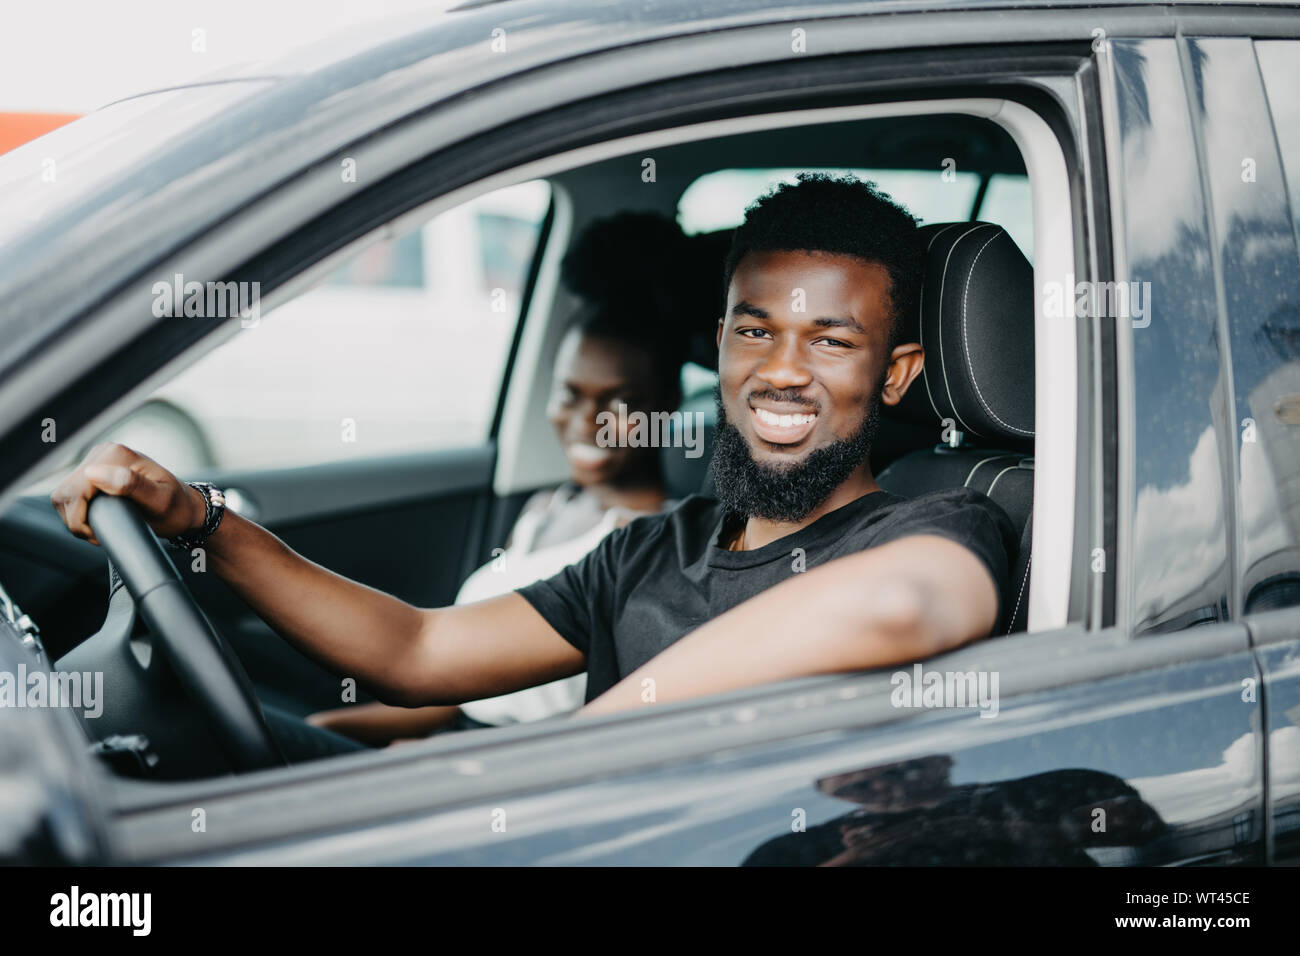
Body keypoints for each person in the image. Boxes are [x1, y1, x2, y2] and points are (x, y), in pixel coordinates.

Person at [51, 174, 1018, 748]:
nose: (780, 374)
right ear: (717, 344)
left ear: (897, 376)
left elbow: (903, 604)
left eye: (830, 343)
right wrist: (203, 522)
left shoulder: (937, 525)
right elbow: (416, 651)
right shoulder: (654, 548)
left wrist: (583, 748)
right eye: (754, 332)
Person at [306, 214, 696, 743]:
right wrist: (328, 728)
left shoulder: (654, 550)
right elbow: (449, 685)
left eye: (619, 402)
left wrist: (428, 758)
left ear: (667, 404)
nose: (588, 421)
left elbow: (597, 729)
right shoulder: (545, 509)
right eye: (571, 394)